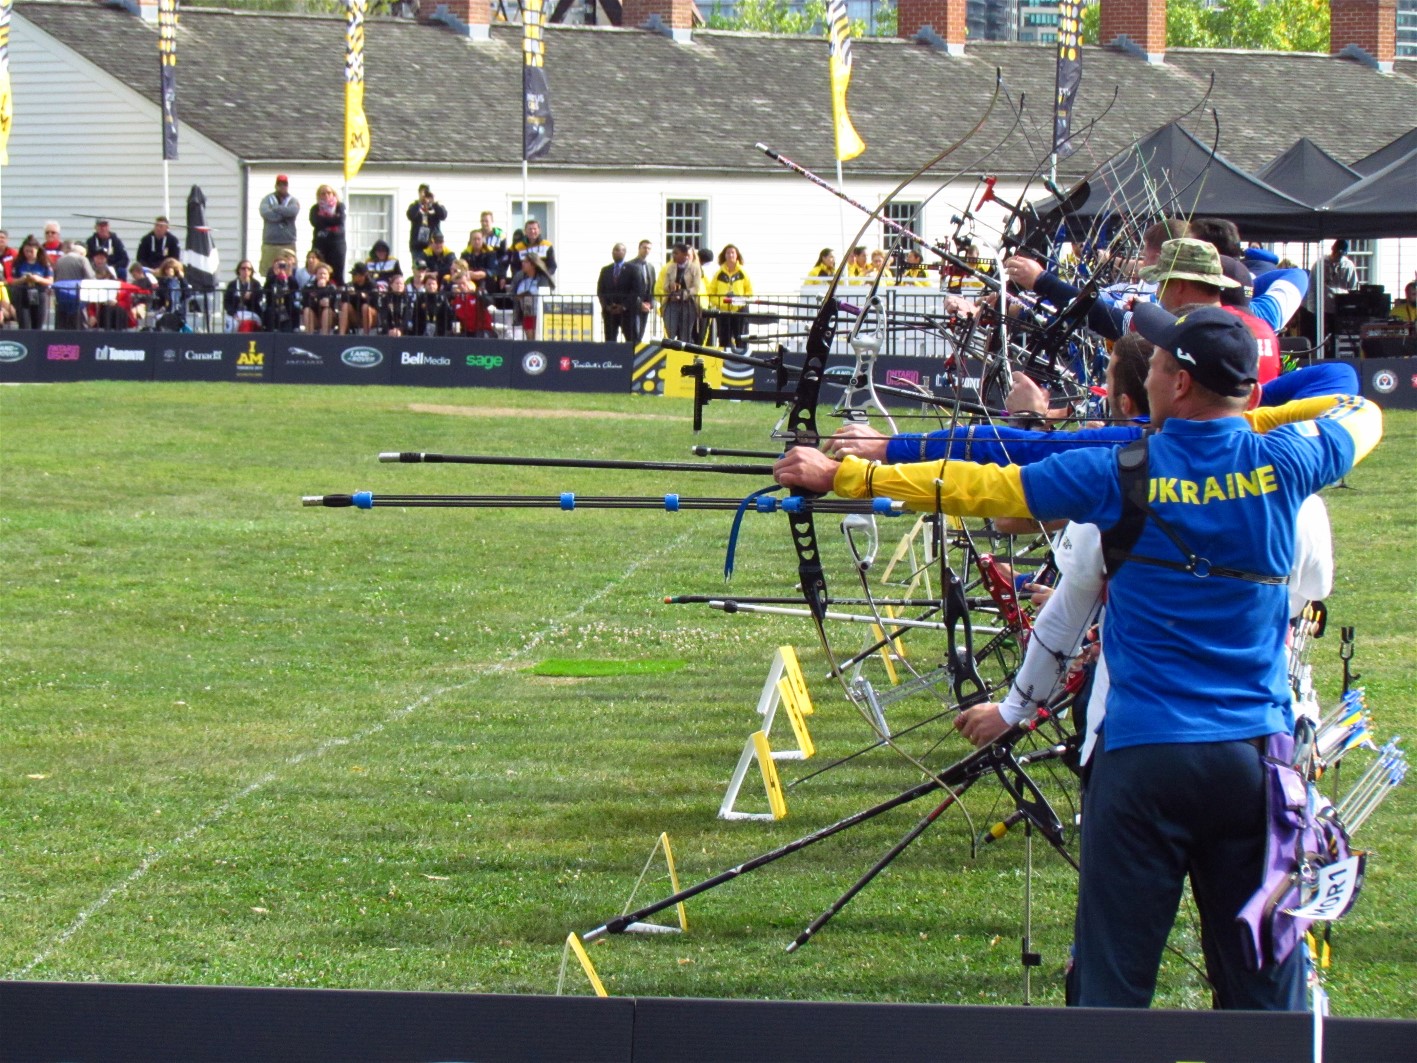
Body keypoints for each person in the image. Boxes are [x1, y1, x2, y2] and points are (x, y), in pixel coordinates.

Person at [777, 304, 1381, 1011]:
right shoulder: (1289, 460)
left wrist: (847, 476)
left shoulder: (1119, 471)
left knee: (1110, 989)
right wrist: (1249, 420)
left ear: (1180, 383)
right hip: (1252, 759)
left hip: (1143, 759)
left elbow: (979, 487)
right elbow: (1360, 410)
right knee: (1263, 989)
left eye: (1159, 364)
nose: (1147, 375)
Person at [704, 244, 753, 349]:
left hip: (739, 310)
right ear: (724, 255)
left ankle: (741, 356)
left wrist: (740, 301)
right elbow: (711, 293)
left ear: (737, 255)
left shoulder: (743, 272)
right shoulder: (718, 273)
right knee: (724, 339)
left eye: (732, 253)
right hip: (723, 311)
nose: (730, 255)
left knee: (741, 338)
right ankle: (724, 357)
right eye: (728, 253)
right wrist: (721, 302)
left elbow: (749, 291)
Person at [655, 242, 701, 343]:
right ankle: (669, 350)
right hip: (672, 303)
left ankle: (685, 351)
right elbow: (665, 286)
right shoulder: (670, 267)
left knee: (685, 334)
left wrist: (683, 295)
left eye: (676, 253)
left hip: (688, 304)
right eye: (673, 253)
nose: (673, 255)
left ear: (685, 255)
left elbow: (696, 288)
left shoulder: (695, 268)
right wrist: (671, 287)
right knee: (669, 332)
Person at [258, 175, 301, 273]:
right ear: (276, 186)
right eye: (280, 185)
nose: (282, 187)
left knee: (290, 271)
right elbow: (265, 213)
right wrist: (283, 215)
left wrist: (276, 208)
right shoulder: (267, 199)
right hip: (270, 243)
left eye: (284, 185)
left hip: (288, 243)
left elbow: (292, 211)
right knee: (268, 271)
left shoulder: (293, 200)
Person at [9, 236, 54, 329]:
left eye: (31, 251)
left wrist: (38, 279)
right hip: (23, 294)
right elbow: (12, 281)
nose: (29, 254)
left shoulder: (44, 263)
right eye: (26, 251)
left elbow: (50, 280)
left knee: (37, 325)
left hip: (40, 294)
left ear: (37, 250)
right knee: (24, 324)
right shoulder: (18, 263)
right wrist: (23, 279)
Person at [597, 242, 636, 343]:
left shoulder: (632, 269)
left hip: (627, 313)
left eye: (620, 250)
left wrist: (623, 306)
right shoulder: (606, 270)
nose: (617, 252)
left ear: (625, 252)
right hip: (610, 312)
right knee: (610, 340)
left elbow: (636, 290)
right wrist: (607, 306)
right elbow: (600, 290)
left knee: (630, 340)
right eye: (615, 250)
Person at [52, 241, 96, 329]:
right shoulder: (82, 259)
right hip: (77, 297)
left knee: (62, 326)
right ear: (82, 253)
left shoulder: (59, 260)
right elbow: (91, 278)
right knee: (80, 326)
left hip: (61, 296)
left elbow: (55, 278)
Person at [309, 185, 347, 284]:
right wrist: (332, 219)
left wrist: (324, 220)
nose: (326, 195)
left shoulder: (339, 206)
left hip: (337, 244)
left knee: (337, 271)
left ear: (333, 194)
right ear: (319, 195)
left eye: (329, 193)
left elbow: (340, 220)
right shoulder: (315, 208)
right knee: (320, 269)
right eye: (323, 193)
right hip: (320, 244)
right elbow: (315, 222)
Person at [511, 253, 553, 338]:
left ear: (533, 264)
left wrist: (530, 294)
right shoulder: (520, 278)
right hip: (527, 313)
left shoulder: (542, 279)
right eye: (523, 261)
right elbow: (514, 294)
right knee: (530, 339)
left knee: (538, 338)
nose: (523, 264)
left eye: (526, 262)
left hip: (539, 315)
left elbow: (544, 294)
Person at [624, 239, 657, 343]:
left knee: (641, 332)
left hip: (646, 305)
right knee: (634, 334)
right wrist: (639, 304)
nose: (646, 250)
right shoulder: (630, 265)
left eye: (649, 248)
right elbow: (628, 288)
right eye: (644, 248)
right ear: (639, 249)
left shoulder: (650, 267)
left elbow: (653, 286)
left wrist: (651, 303)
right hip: (633, 305)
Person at [406, 184, 446, 270]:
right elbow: (410, 215)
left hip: (433, 245)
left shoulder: (436, 206)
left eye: (427, 193)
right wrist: (420, 202)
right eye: (423, 193)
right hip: (418, 246)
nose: (425, 196)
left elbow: (443, 216)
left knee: (434, 268)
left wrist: (433, 202)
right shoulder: (414, 206)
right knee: (419, 268)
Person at [338, 262, 378, 335]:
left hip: (371, 316)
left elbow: (375, 301)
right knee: (345, 306)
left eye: (356, 274)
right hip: (356, 316)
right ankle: (341, 334)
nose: (353, 276)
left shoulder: (371, 285)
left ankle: (366, 335)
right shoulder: (350, 285)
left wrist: (361, 295)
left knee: (365, 307)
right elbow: (343, 300)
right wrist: (349, 294)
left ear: (363, 275)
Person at [224, 260, 264, 332]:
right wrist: (233, 314)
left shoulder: (256, 284)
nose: (246, 271)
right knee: (233, 325)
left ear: (251, 271)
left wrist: (251, 297)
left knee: (246, 324)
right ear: (239, 270)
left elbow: (259, 299)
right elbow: (227, 303)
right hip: (236, 313)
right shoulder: (232, 284)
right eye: (243, 268)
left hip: (251, 313)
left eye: (249, 269)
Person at [301, 262, 338, 334]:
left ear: (328, 276)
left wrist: (323, 290)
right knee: (307, 310)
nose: (322, 276)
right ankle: (309, 336)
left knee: (327, 311)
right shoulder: (309, 286)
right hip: (314, 316)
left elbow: (333, 303)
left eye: (325, 274)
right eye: (320, 274)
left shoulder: (332, 287)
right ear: (316, 275)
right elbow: (305, 303)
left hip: (329, 317)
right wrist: (318, 301)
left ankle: (325, 336)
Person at [263, 256, 299, 332]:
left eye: (283, 266)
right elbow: (266, 289)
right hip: (273, 304)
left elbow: (295, 287)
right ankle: (273, 330)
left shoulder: (289, 277)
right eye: (279, 266)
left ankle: (294, 329)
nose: (281, 268)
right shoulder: (271, 277)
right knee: (270, 311)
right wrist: (275, 274)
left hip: (287, 305)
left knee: (295, 310)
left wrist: (289, 275)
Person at [413, 272, 451, 337]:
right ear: (424, 285)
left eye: (433, 284)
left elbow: (448, 315)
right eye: (429, 284)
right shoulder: (420, 298)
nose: (431, 286)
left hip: (440, 332)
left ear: (437, 285)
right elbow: (415, 315)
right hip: (422, 332)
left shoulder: (442, 298)